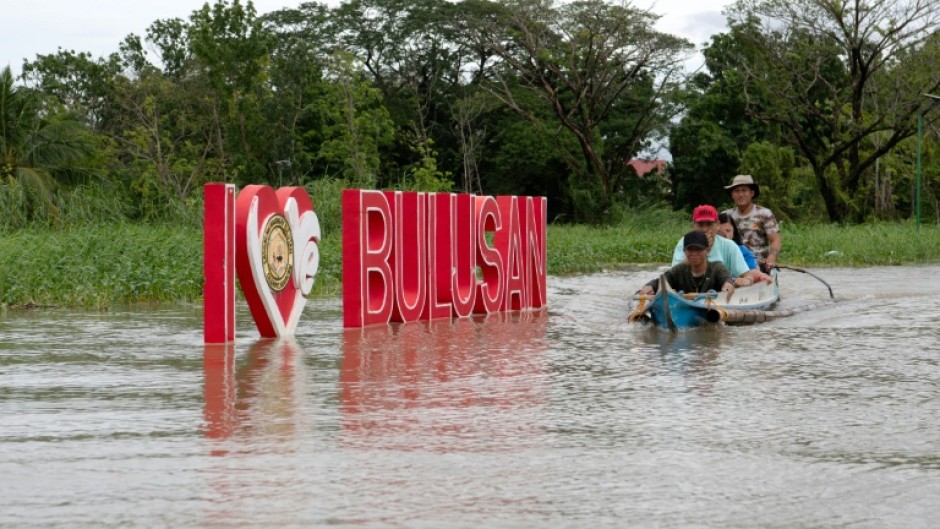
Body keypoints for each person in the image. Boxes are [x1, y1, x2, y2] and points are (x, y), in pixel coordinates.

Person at [670, 204, 770, 287]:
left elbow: (746, 274)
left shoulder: (729, 245)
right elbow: (673, 275)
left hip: (722, 291)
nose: (705, 229)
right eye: (700, 225)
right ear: (693, 226)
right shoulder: (683, 243)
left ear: (717, 225)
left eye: (709, 224)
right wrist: (701, 251)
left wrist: (747, 280)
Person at [639, 230, 735, 301]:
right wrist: (650, 287)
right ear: (684, 251)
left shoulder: (717, 267)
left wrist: (727, 286)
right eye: (690, 249)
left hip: (711, 307)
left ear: (708, 250)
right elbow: (661, 281)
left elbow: (727, 279)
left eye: (698, 249)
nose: (694, 253)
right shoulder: (679, 270)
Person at [722, 174, 781, 272]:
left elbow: (775, 240)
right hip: (733, 262)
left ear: (752, 193)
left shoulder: (764, 214)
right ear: (732, 194)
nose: (741, 194)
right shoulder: (725, 216)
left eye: (744, 190)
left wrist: (771, 257)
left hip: (759, 263)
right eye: (737, 191)